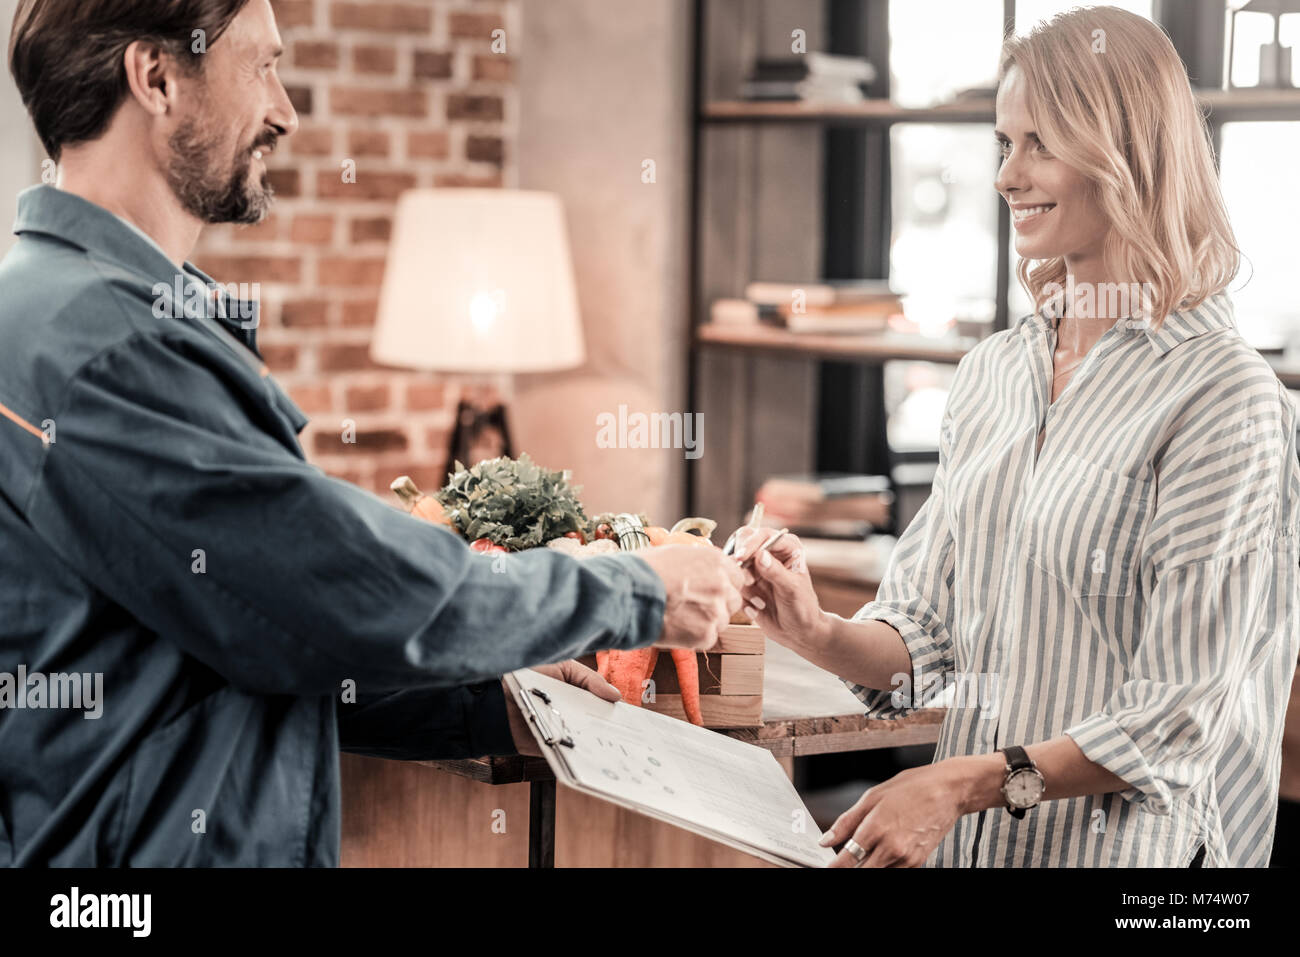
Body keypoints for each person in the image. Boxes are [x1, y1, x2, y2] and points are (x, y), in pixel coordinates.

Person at [0, 0, 744, 866]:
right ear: (157, 77)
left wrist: (483, 699)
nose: (284, 110)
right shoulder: (114, 346)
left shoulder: (46, 305)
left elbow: (258, 627)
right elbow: (341, 586)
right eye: (261, 67)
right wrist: (635, 590)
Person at [733, 6, 1300, 868]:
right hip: (978, 850)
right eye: (1004, 142)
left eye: (1041, 143)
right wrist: (814, 628)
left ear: (1129, 152)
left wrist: (963, 784)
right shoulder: (995, 373)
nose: (1007, 175)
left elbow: (1176, 718)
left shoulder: (1223, 397)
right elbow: (927, 632)